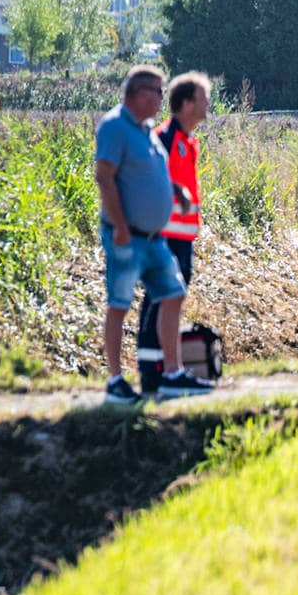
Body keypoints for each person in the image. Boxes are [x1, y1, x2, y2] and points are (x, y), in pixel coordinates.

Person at [95, 65, 213, 403]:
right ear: (138, 93)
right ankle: (116, 380)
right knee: (119, 304)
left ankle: (172, 375)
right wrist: (119, 226)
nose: (163, 99)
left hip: (153, 238)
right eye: (157, 92)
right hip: (127, 235)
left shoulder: (145, 130)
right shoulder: (116, 126)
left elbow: (151, 174)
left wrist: (175, 189)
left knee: (173, 293)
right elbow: (105, 176)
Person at [137, 72, 211, 393]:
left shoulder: (187, 142)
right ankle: (160, 374)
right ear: (185, 104)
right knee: (161, 300)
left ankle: (158, 373)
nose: (208, 103)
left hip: (182, 238)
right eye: (202, 97)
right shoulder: (165, 139)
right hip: (163, 238)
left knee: (168, 302)